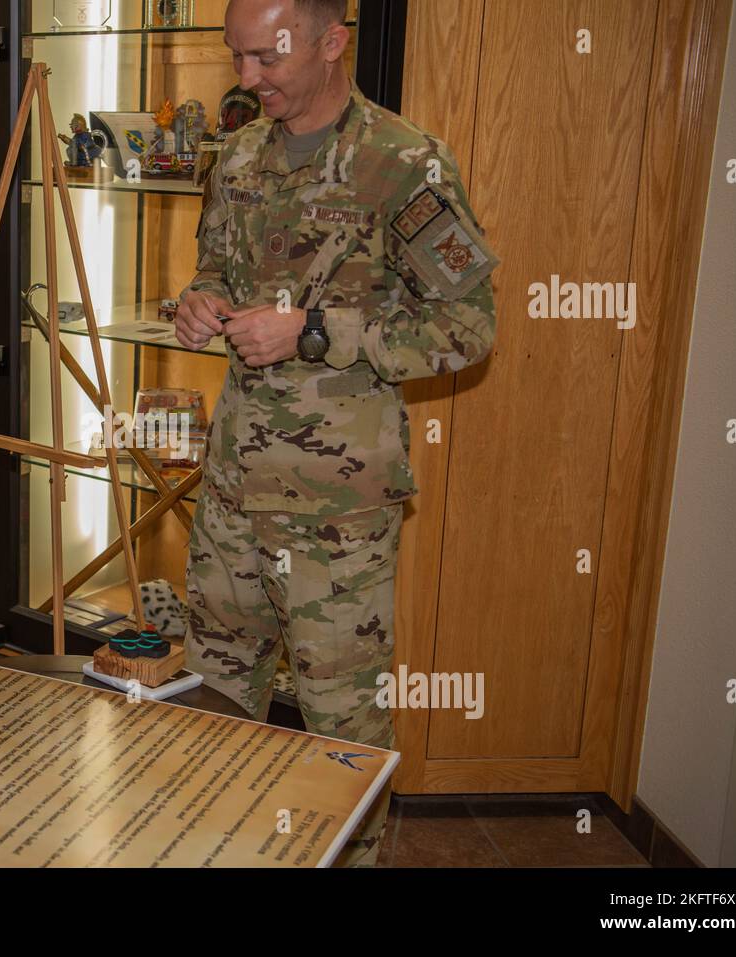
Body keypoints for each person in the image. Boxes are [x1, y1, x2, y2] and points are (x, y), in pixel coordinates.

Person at [175, 0, 499, 866]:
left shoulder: (406, 165)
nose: (247, 80)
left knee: (340, 733)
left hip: (337, 516)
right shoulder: (239, 154)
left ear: (331, 42)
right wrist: (199, 301)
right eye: (236, 59)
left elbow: (469, 331)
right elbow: (216, 267)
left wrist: (314, 330)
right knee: (207, 703)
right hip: (233, 492)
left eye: (265, 59)